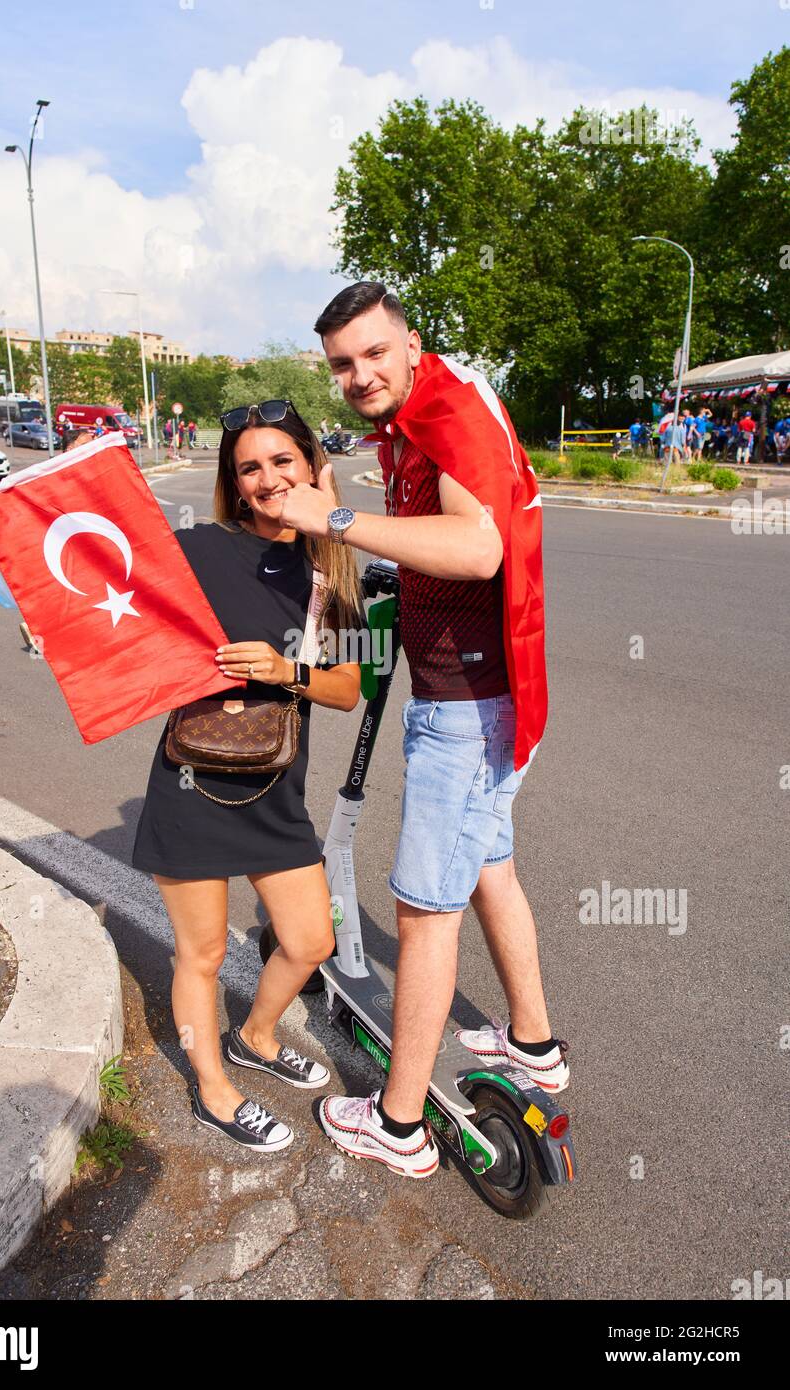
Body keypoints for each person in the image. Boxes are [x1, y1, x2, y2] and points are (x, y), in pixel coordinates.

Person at [0, 401, 363, 1155]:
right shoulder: (197, 546)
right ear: (233, 481)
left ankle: (255, 1037)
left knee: (308, 941)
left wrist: (286, 669)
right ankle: (212, 1089)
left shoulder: (336, 564)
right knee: (197, 955)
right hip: (192, 780)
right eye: (249, 468)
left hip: (276, 786)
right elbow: (79, 571)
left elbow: (348, 687)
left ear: (312, 465)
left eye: (282, 462)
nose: (267, 479)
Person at [281, 280, 568, 1180]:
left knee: (423, 907)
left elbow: (476, 547)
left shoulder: (445, 414)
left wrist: (327, 516)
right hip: (496, 697)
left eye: (373, 353)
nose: (359, 374)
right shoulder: (420, 413)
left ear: (410, 345)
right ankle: (532, 1043)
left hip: (467, 710)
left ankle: (399, 1125)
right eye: (342, 364)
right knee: (488, 869)